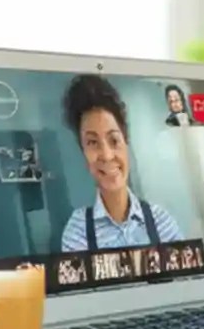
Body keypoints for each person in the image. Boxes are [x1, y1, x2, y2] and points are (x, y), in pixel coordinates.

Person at [59, 74, 185, 252]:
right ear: (83, 152)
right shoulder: (78, 232)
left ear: (126, 142)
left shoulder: (161, 222)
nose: (107, 155)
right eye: (92, 143)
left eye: (114, 140)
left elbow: (187, 280)